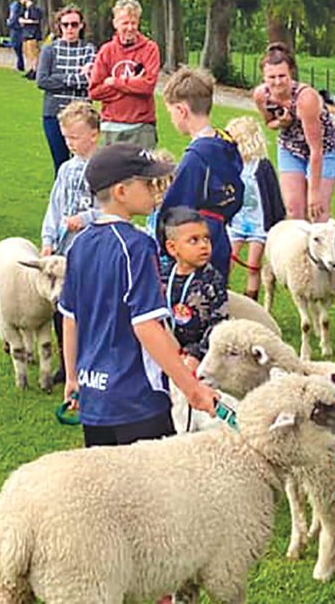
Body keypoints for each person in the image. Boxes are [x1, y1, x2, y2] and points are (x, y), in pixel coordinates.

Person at [58, 143, 220, 447]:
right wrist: (193, 390)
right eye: (147, 183)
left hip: (94, 396)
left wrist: (72, 378)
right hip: (136, 399)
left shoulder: (79, 244)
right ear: (121, 191)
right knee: (155, 491)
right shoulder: (136, 245)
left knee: (109, 488)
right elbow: (146, 326)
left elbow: (70, 319)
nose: (154, 190)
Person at [160, 66, 244, 280]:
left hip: (192, 244)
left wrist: (163, 242)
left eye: (171, 112)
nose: (172, 119)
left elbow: (175, 209)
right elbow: (237, 195)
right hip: (220, 239)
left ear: (181, 110)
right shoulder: (227, 145)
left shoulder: (195, 158)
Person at [40, 101, 102, 383]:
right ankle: (67, 366)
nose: (70, 143)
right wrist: (48, 239)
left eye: (75, 138)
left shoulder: (105, 168)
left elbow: (114, 208)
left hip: (93, 250)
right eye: (66, 138)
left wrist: (87, 218)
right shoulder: (66, 169)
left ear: (94, 135)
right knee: (63, 308)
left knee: (91, 309)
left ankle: (91, 363)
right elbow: (55, 206)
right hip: (65, 252)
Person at [252, 42, 335, 222]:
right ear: (263, 77)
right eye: (271, 77)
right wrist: (281, 123)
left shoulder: (305, 98)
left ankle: (322, 248)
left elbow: (316, 149)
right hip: (290, 148)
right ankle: (296, 250)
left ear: (291, 73)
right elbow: (269, 123)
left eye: (282, 76)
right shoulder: (262, 95)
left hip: (322, 151)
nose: (277, 82)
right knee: (294, 210)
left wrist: (314, 192)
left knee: (317, 212)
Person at [159, 207, 229, 371]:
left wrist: (196, 354)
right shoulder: (162, 276)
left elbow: (218, 324)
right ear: (172, 248)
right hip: (165, 350)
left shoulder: (212, 280)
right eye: (194, 240)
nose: (204, 245)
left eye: (206, 239)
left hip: (199, 359)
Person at [223, 116, 285, 301]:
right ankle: (221, 297)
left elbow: (273, 195)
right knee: (227, 261)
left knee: (252, 265)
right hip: (237, 223)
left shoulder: (262, 166)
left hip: (259, 225)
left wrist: (278, 222)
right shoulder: (232, 165)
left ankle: (251, 302)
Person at [88, 0, 160, 149]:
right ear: (115, 23)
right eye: (125, 23)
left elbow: (148, 86)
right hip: (111, 127)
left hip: (141, 127)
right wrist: (132, 85)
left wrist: (116, 82)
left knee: (144, 173)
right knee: (110, 172)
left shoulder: (150, 49)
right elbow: (94, 91)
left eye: (133, 22)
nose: (130, 27)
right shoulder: (106, 51)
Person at [36, 4, 96, 176]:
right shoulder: (49, 50)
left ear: (81, 25)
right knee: (61, 164)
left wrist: (59, 77)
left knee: (84, 163)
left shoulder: (88, 49)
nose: (70, 29)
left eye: (74, 24)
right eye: (66, 24)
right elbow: (42, 80)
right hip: (53, 114)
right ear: (59, 26)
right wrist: (74, 77)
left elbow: (89, 80)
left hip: (82, 115)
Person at [18, 0, 44, 80]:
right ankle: (30, 69)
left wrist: (25, 21)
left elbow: (36, 20)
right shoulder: (25, 9)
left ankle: (35, 71)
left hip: (32, 34)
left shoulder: (33, 9)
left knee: (34, 53)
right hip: (26, 34)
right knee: (27, 53)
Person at [6, 0, 27, 73]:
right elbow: (14, 18)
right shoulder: (17, 6)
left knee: (18, 48)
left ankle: (20, 65)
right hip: (16, 29)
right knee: (17, 46)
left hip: (16, 29)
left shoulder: (17, 6)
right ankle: (20, 65)